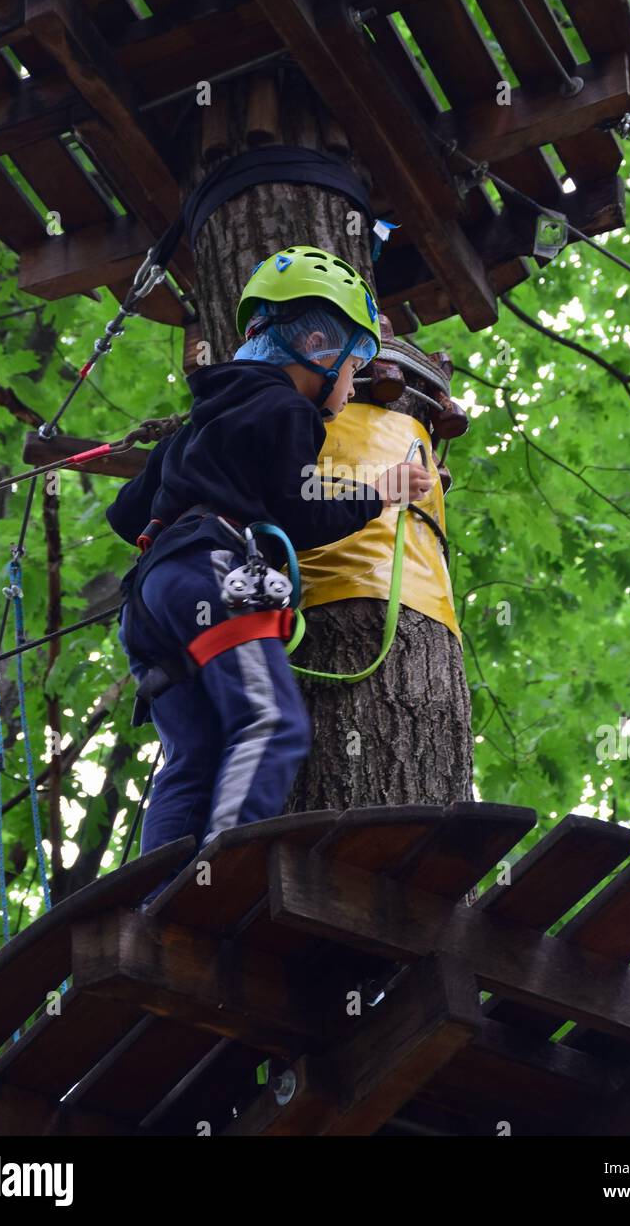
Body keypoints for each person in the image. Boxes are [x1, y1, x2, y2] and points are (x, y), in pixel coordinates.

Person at [106, 245, 434, 906]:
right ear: (319, 345)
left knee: (193, 757)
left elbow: (125, 514)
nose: (352, 387)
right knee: (270, 724)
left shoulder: (202, 418)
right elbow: (299, 509)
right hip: (215, 574)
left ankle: (147, 903)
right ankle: (215, 887)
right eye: (355, 366)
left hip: (151, 598)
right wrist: (384, 490)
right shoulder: (288, 410)